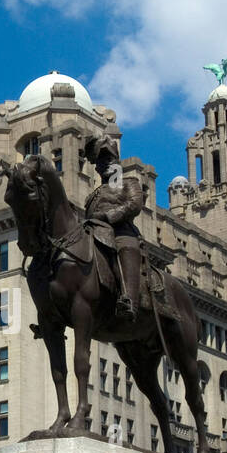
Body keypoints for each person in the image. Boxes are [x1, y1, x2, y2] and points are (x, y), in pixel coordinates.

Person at [82, 133, 144, 321]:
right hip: (95, 235)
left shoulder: (129, 183)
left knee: (125, 248)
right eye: (100, 161)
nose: (104, 164)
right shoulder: (92, 196)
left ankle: (129, 301)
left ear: (116, 161)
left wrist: (108, 216)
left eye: (108, 159)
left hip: (121, 233)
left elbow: (134, 205)